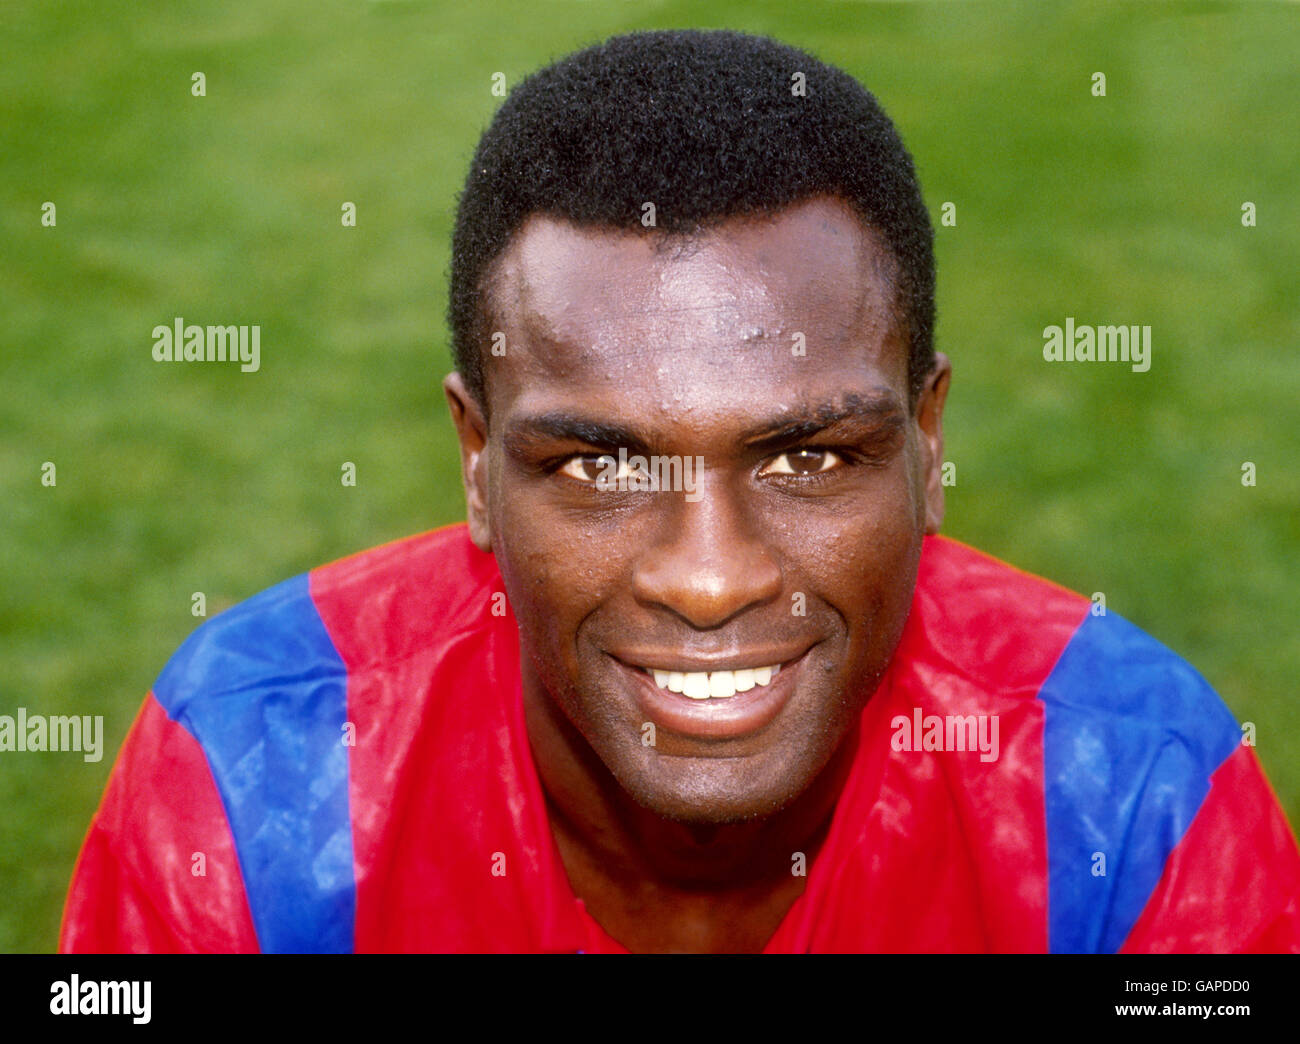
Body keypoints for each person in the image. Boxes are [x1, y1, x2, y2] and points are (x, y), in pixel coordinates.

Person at [61, 28, 1300, 953]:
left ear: (927, 447)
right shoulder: (251, 772)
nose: (710, 577)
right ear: (475, 464)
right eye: (597, 465)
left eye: (808, 457)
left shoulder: (1136, 795)